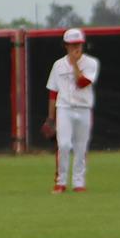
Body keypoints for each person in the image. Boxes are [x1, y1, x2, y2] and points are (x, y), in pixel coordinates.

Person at [43, 27, 100, 193]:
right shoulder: (58, 65)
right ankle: (60, 181)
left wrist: (75, 64)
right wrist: (50, 118)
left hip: (83, 108)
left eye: (79, 44)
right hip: (64, 108)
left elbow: (82, 83)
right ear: (66, 46)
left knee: (81, 147)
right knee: (65, 145)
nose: (77, 48)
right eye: (73, 44)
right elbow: (53, 92)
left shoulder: (91, 63)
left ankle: (78, 183)